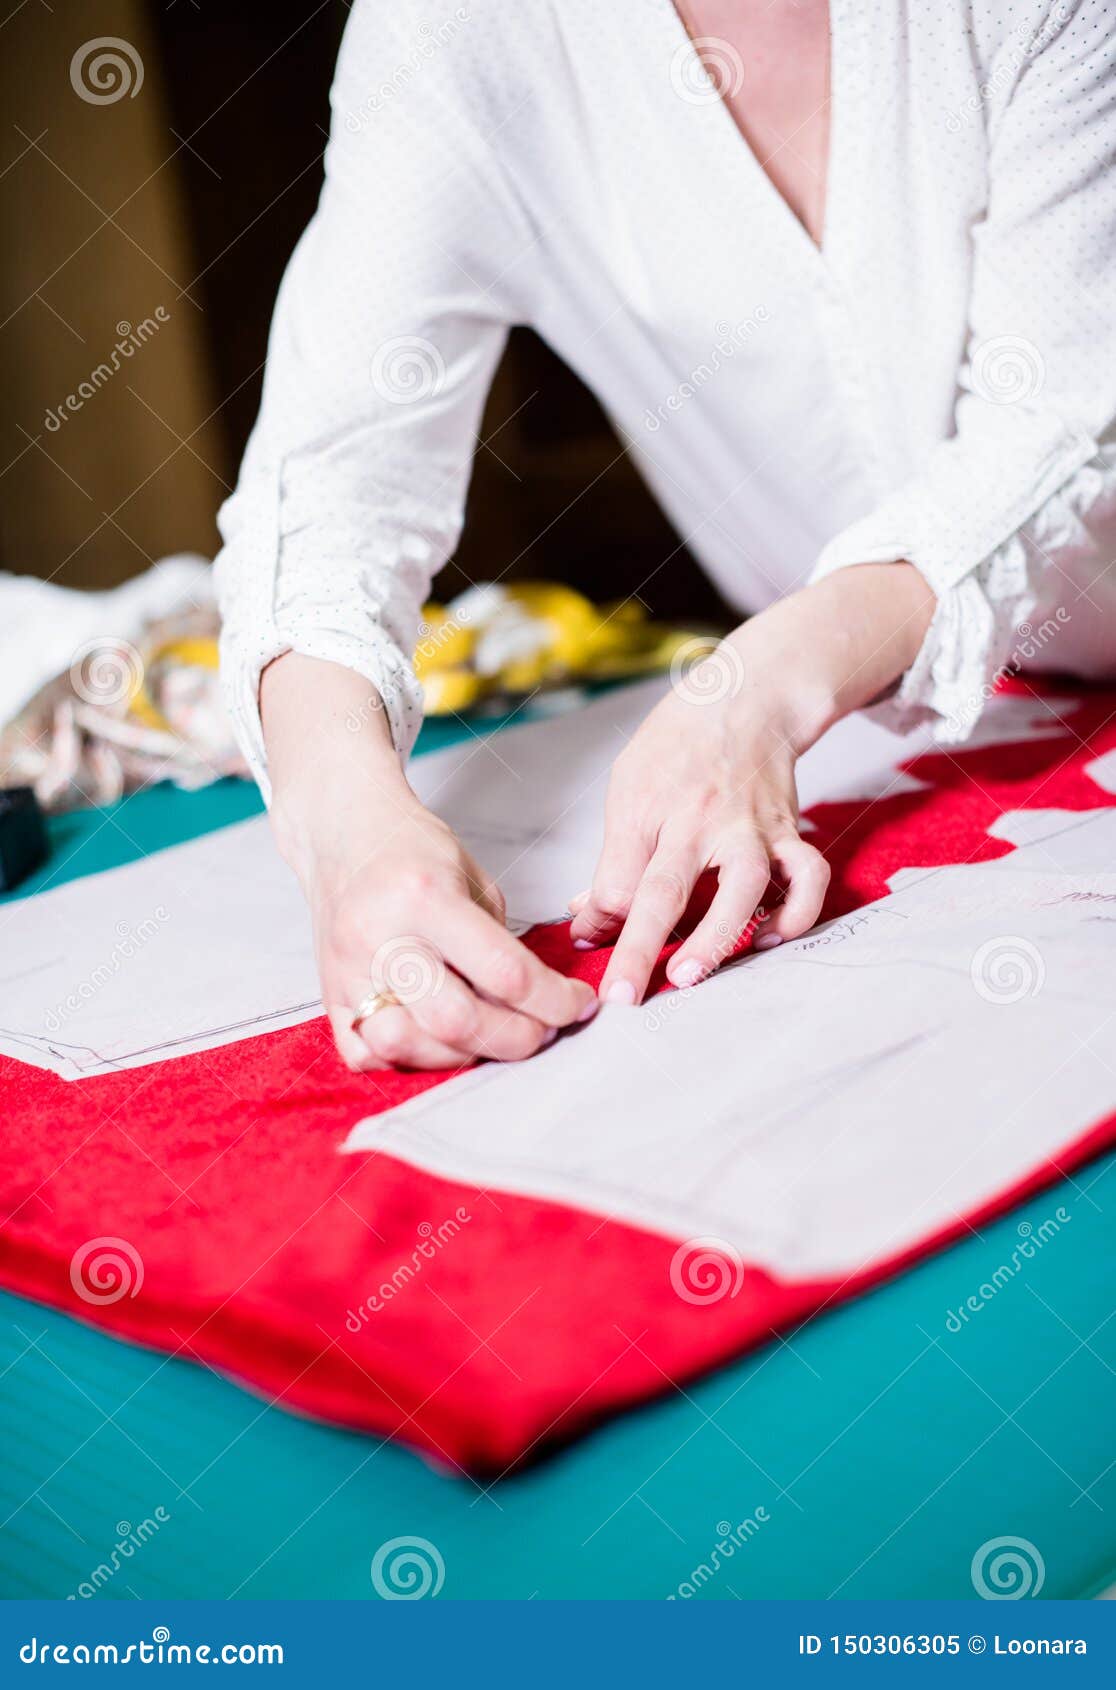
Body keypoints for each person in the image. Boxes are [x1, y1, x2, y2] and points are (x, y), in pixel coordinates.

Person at [215, 0, 1116, 1071]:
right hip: (891, 725)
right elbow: (332, 484)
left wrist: (774, 677)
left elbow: (1071, 418)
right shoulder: (451, 30)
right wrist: (349, 825)